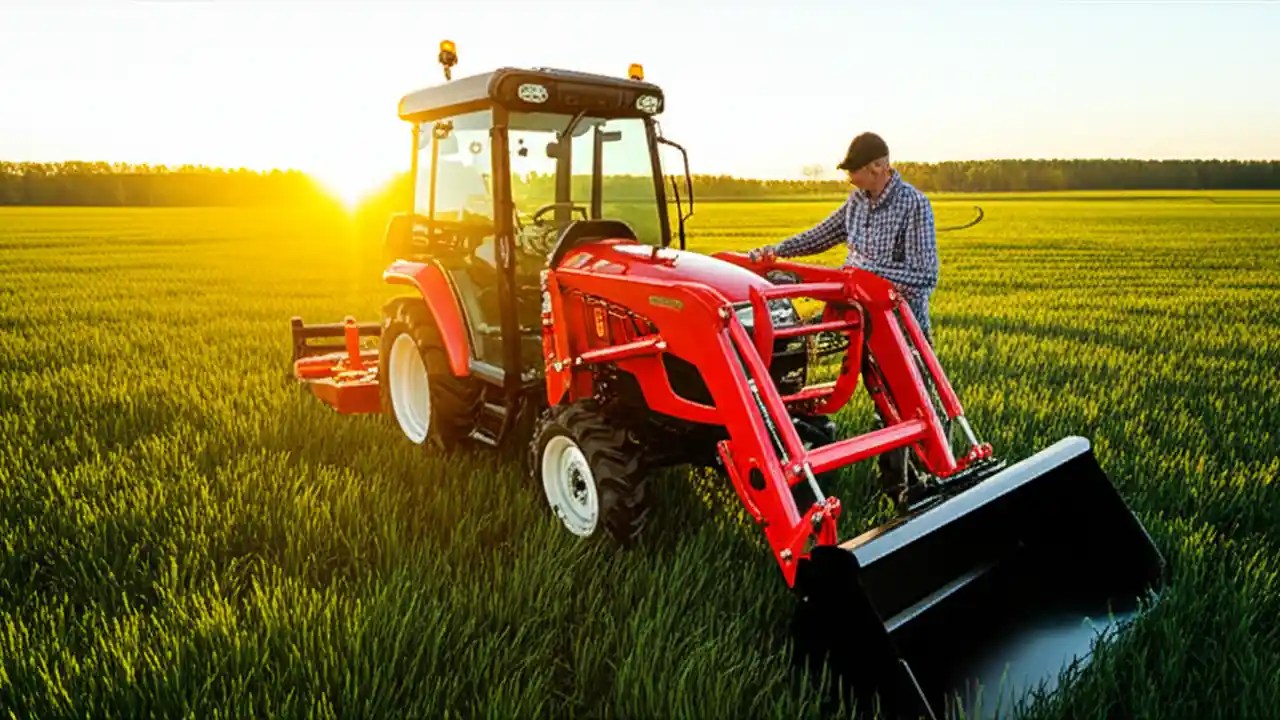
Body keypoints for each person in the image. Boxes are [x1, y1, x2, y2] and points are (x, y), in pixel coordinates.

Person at [748, 132, 939, 508]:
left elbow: (924, 274)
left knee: (909, 407)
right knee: (878, 401)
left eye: (857, 172)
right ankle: (892, 484)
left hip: (901, 330)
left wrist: (859, 273)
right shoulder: (856, 203)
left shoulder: (914, 205)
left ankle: (921, 486)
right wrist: (773, 253)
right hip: (858, 325)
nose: (851, 179)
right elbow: (819, 237)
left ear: (880, 167)